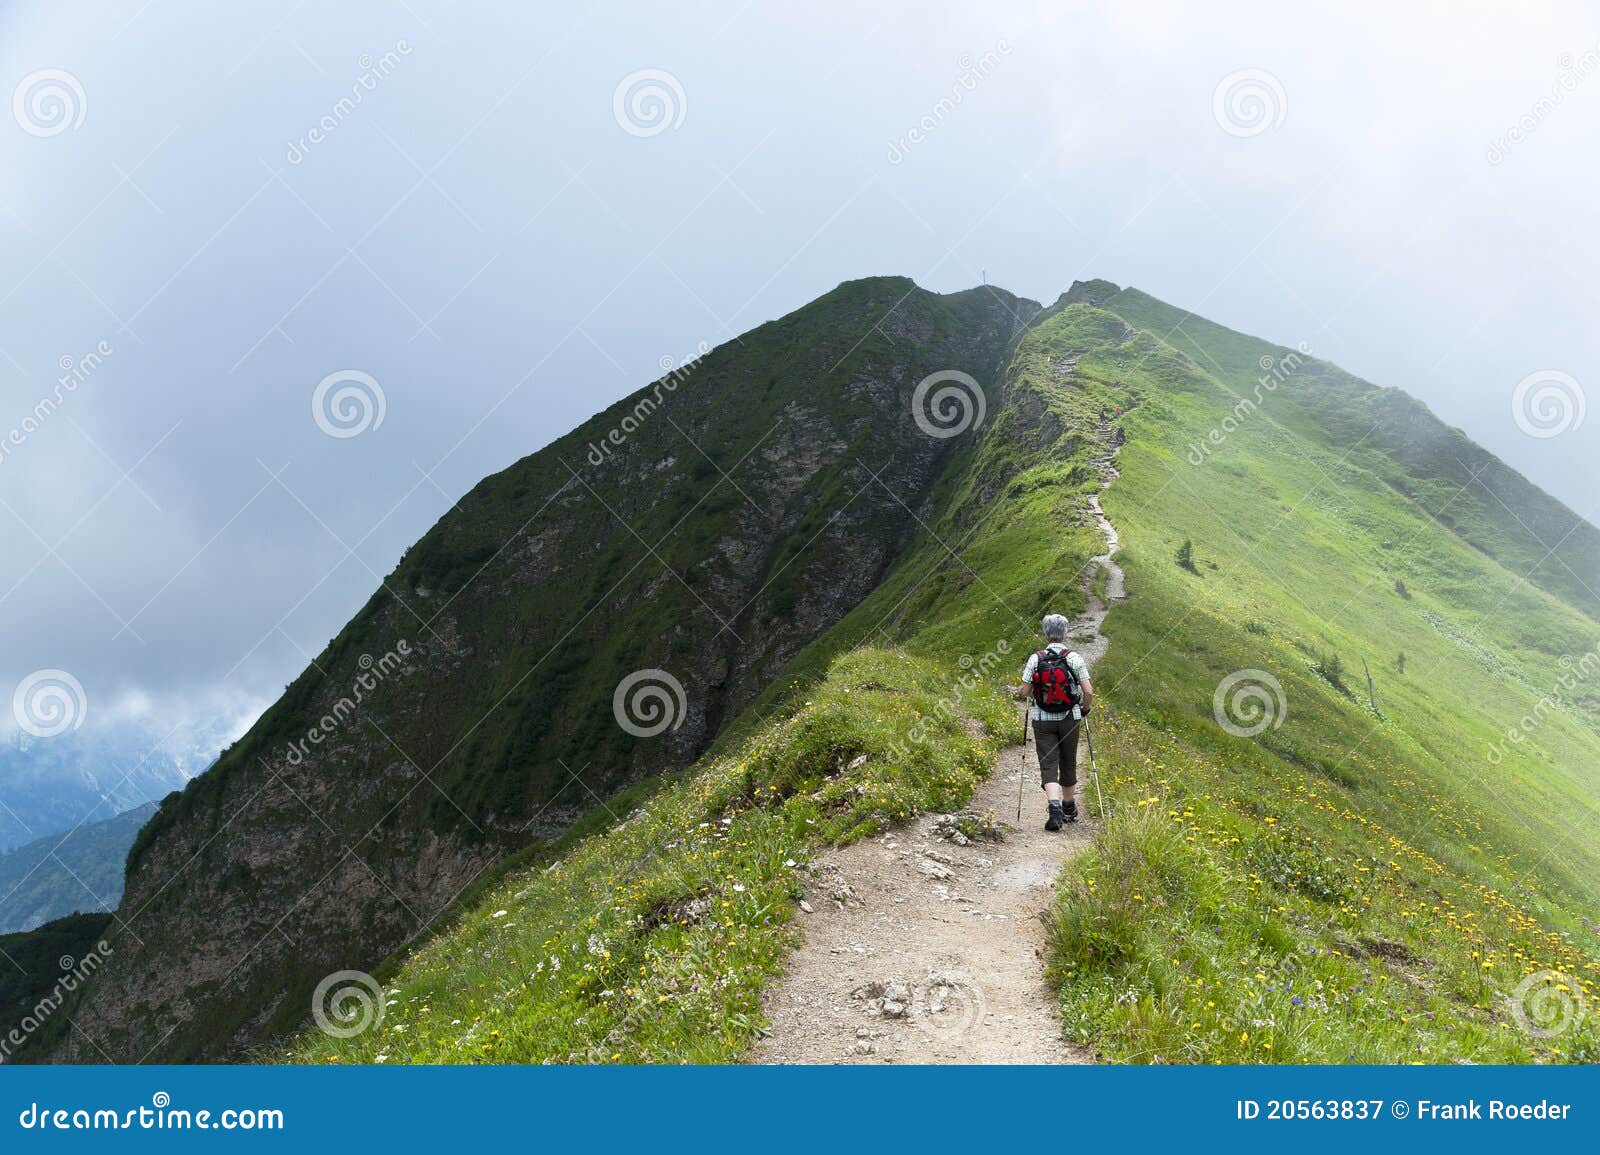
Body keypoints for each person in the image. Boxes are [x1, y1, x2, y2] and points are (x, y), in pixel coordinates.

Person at [1017, 613, 1094, 830]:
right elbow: (1088, 691)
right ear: (1065, 632)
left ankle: (1054, 809)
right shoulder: (1074, 658)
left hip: (1042, 720)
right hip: (1070, 718)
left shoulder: (1036, 658)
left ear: (1045, 632)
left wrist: (1030, 689)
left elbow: (1024, 691)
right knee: (1068, 761)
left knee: (1048, 763)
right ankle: (1069, 807)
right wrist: (1085, 707)